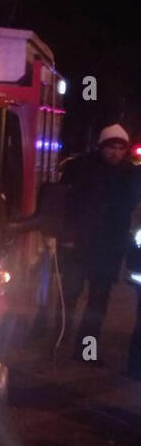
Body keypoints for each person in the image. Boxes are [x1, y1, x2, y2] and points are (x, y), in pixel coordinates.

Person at [57, 123, 138, 360]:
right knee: (69, 294)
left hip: (109, 246)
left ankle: (86, 350)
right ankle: (60, 337)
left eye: (120, 148)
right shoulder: (81, 168)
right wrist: (65, 235)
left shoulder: (129, 174)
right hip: (79, 243)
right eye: (110, 147)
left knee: (98, 302)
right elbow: (65, 204)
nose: (115, 152)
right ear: (101, 147)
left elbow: (130, 205)